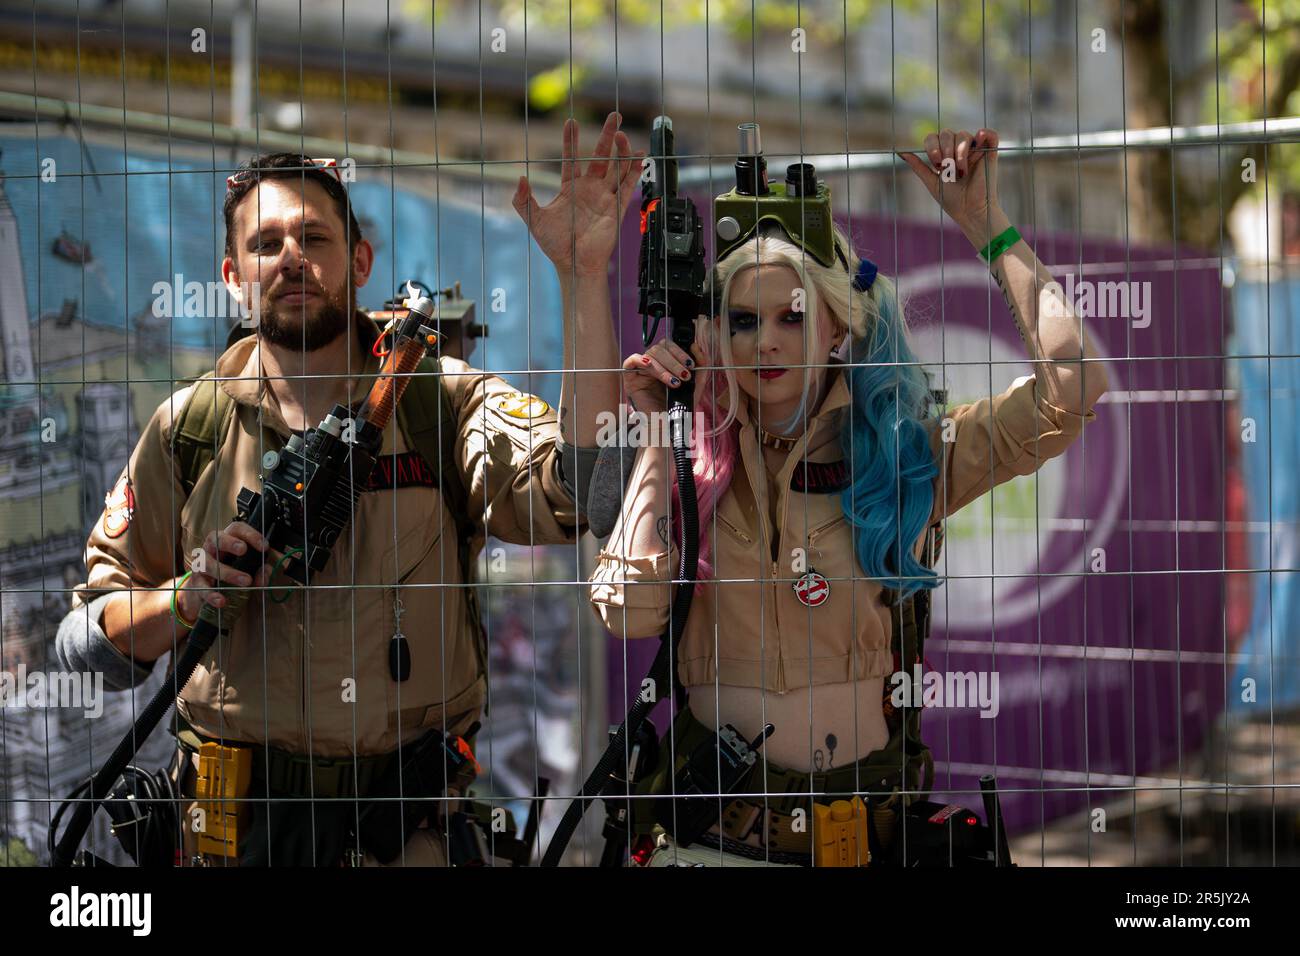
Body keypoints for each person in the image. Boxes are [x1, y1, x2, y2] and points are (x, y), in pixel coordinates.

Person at [56, 113, 642, 866]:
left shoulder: (439, 403)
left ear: (360, 259)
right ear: (233, 277)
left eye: (314, 238)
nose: (291, 258)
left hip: (406, 835)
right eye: (265, 244)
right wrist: (187, 599)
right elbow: (85, 641)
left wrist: (584, 280)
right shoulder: (189, 428)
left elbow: (586, 493)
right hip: (231, 837)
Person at [589, 127, 1110, 865]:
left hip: (859, 838)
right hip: (707, 841)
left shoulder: (903, 455)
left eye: (791, 317)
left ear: (836, 325)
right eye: (743, 320)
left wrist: (986, 225)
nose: (764, 342)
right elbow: (626, 611)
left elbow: (1075, 389)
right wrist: (659, 428)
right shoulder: (688, 465)